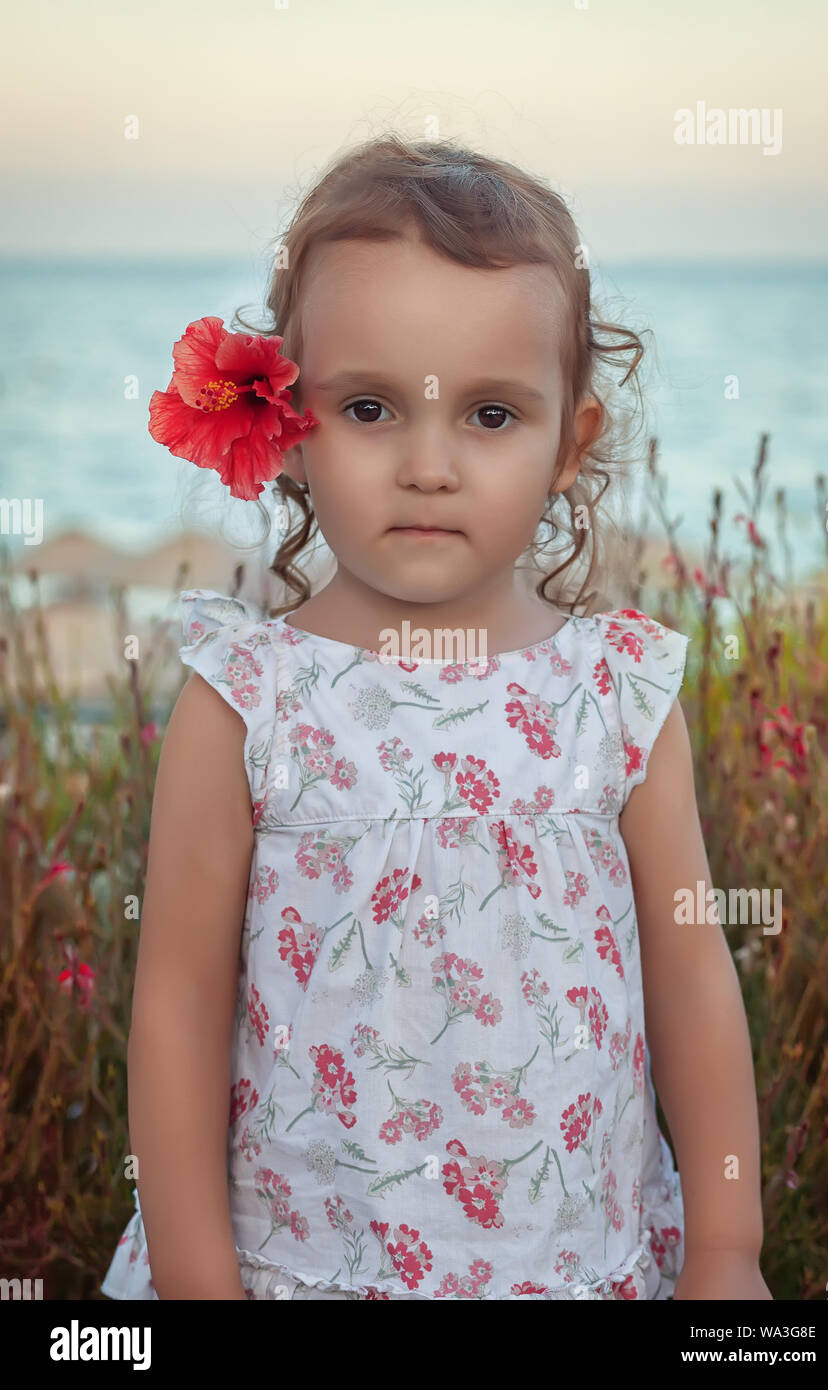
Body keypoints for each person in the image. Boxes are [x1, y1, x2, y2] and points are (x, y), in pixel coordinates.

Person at [101, 135, 770, 1300]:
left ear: (572, 444)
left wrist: (725, 1250)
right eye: (369, 406)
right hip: (295, 1266)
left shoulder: (615, 696)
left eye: (490, 415)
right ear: (287, 425)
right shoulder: (248, 698)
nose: (427, 464)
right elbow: (177, 1006)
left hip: (570, 1265)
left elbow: (690, 975)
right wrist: (196, 1284)